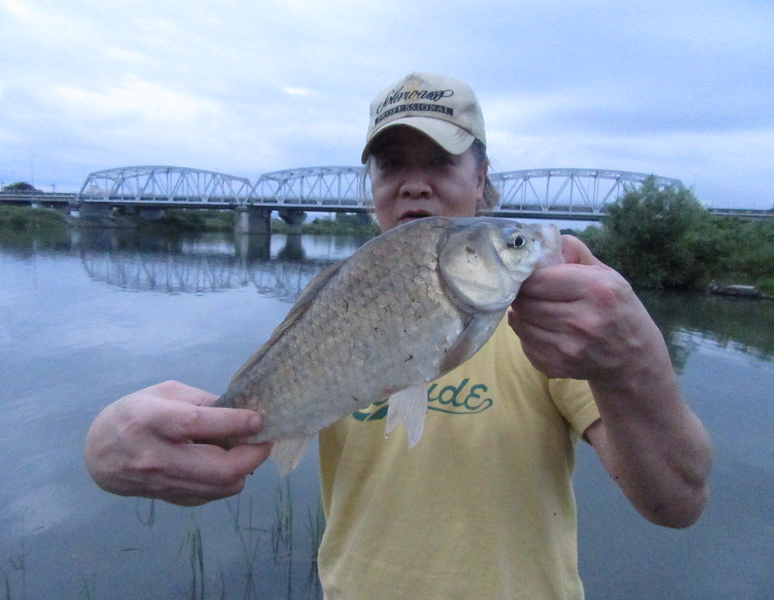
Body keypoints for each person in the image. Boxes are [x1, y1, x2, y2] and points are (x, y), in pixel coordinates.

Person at [85, 72, 713, 598]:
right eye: (392, 165)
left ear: (482, 177)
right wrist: (107, 454)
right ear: (373, 186)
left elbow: (676, 504)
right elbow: (228, 451)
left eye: (441, 161)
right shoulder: (340, 295)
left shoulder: (559, 325)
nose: (415, 183)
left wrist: (636, 365)